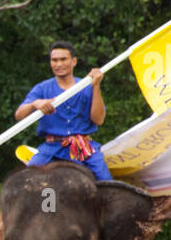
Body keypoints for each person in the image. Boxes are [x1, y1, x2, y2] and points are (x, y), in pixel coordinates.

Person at [15, 41, 110, 181]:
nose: (58, 64)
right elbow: (19, 115)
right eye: (54, 60)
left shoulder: (87, 87)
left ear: (74, 61)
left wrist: (96, 86)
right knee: (26, 182)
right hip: (51, 148)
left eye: (63, 59)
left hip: (84, 148)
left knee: (107, 182)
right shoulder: (42, 89)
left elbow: (99, 120)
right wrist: (35, 104)